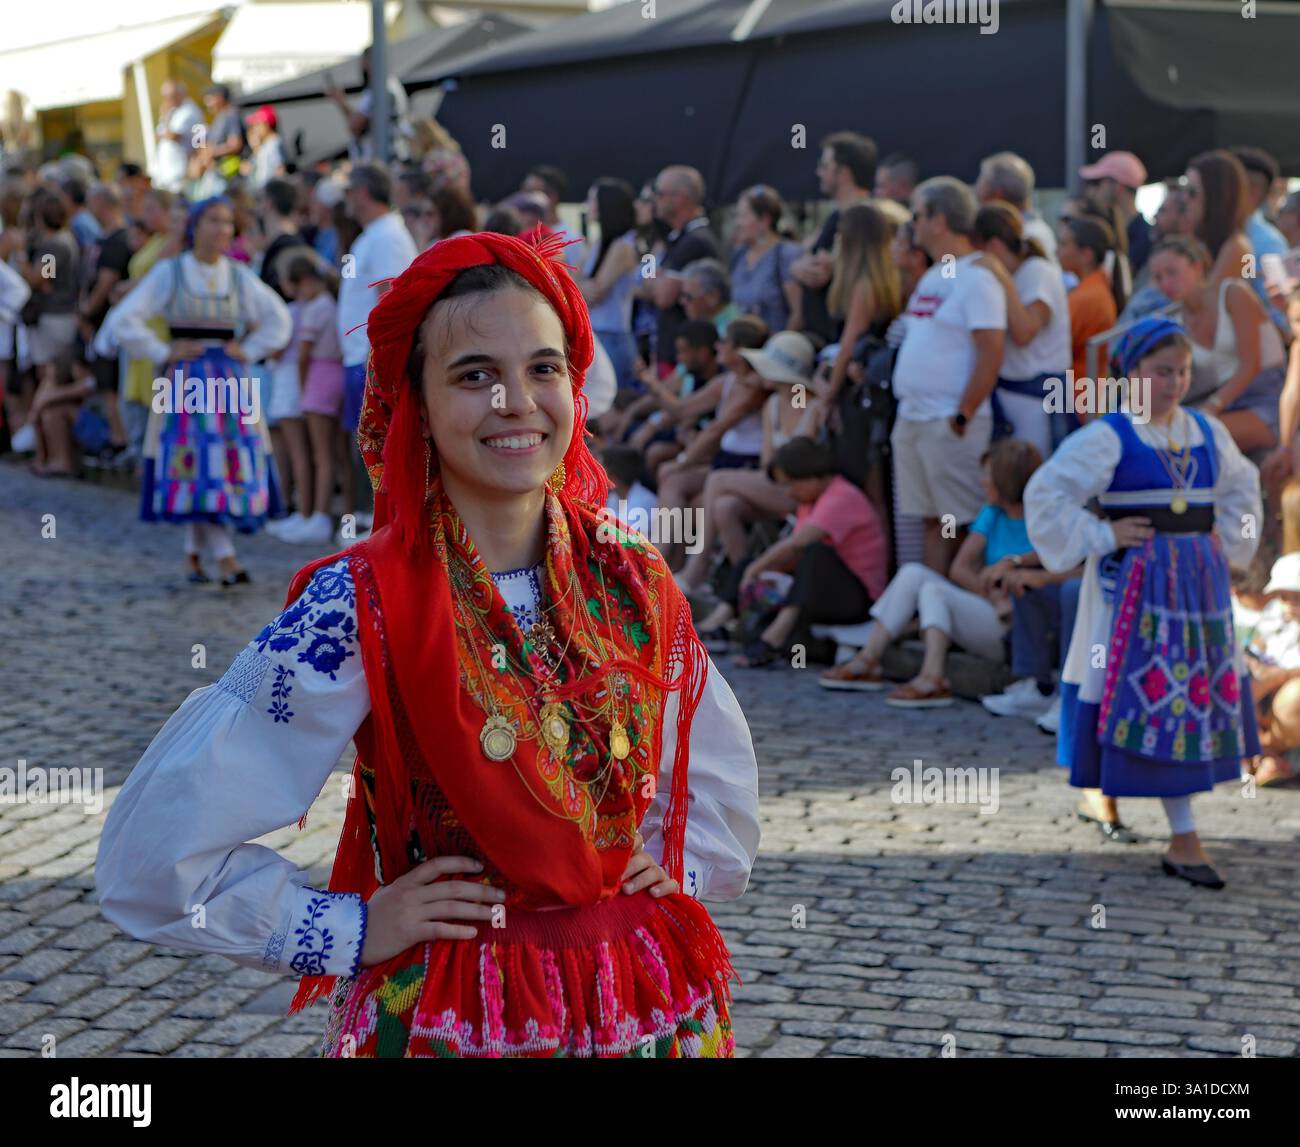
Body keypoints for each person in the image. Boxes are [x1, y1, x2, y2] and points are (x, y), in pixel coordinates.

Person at [96, 230, 761, 1058]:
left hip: (645, 998)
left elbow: (711, 772)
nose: (516, 400)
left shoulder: (631, 576)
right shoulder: (362, 601)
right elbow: (155, 857)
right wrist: (346, 926)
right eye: (475, 374)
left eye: (543, 368)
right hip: (463, 1005)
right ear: (415, 401)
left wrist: (663, 873)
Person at [1024, 317, 1262, 883]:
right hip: (1132, 590)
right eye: (1162, 372)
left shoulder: (1205, 432)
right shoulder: (1110, 435)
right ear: (1131, 374)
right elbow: (1046, 492)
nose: (1175, 383)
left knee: (1181, 691)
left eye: (1182, 372)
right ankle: (1179, 834)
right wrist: (1103, 537)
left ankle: (1147, 813)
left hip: (1197, 589)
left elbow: (1242, 486)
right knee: (1136, 688)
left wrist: (1228, 546)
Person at [107, 196, 292, 585]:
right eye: (212, 221)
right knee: (195, 463)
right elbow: (125, 320)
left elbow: (279, 319)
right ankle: (227, 559)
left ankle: (194, 555)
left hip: (228, 378)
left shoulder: (239, 276)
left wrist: (250, 350)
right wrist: (161, 351)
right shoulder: (170, 273)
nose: (221, 230)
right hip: (186, 379)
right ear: (195, 227)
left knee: (220, 464)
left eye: (227, 222)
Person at [820, 439, 1041, 706]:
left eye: (988, 475)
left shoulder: (1040, 518)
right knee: (914, 573)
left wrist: (1003, 577)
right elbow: (959, 568)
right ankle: (869, 658)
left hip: (1018, 626)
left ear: (1007, 480)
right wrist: (993, 594)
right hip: (993, 607)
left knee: (934, 591)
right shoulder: (992, 513)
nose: (982, 481)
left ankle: (932, 676)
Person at [890, 176, 1006, 574]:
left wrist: (963, 414)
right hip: (914, 417)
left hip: (948, 421)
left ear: (939, 220)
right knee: (930, 521)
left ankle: (959, 615)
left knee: (957, 521)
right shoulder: (934, 274)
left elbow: (992, 350)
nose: (913, 224)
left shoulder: (978, 278)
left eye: (918, 215)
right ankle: (933, 617)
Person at [718, 437, 886, 668]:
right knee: (753, 560)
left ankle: (773, 638)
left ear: (812, 476)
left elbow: (799, 543)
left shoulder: (842, 496)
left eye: (790, 484)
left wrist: (755, 569)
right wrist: (758, 571)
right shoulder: (810, 501)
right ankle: (719, 622)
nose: (787, 493)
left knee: (812, 553)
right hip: (822, 590)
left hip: (859, 598)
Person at [337, 162, 418, 538]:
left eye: (349, 191)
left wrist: (379, 358)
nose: (346, 199)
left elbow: (390, 299)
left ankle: (386, 524)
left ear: (363, 192)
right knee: (368, 442)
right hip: (359, 356)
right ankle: (379, 522)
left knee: (378, 444)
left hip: (371, 359)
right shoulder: (374, 234)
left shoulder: (387, 236)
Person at [1149, 235, 1286, 453]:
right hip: (1225, 403)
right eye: (1158, 277)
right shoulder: (1176, 322)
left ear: (1197, 267)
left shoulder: (1233, 293)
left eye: (1172, 272)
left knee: (1187, 439)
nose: (1165, 283)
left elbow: (1251, 364)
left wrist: (1211, 407)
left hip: (1267, 399)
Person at [973, 203, 1070, 457]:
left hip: (1036, 402)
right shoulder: (1019, 272)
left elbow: (1024, 332)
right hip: (1012, 399)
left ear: (993, 246)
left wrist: (998, 274)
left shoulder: (1038, 272)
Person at [268, 253, 344, 545]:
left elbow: (288, 351)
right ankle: (308, 512)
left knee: (308, 453)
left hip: (303, 381)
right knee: (317, 453)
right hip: (313, 378)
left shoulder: (303, 310)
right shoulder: (320, 306)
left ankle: (310, 512)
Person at [815, 201, 903, 426]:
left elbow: (849, 341)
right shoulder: (884, 278)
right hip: (864, 380)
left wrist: (830, 393)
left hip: (857, 389)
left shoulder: (864, 286)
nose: (835, 238)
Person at [790, 131, 876, 345]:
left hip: (844, 343)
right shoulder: (836, 216)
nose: (819, 172)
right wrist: (798, 267)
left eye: (825, 166)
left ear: (843, 173)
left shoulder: (869, 219)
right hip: (822, 338)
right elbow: (808, 255)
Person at [646, 165, 720, 374]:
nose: (654, 201)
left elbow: (663, 296)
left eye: (659, 194)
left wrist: (655, 279)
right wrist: (655, 275)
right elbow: (645, 279)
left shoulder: (695, 240)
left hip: (684, 355)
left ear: (681, 198)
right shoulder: (675, 238)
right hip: (671, 349)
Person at [575, 178, 640, 392]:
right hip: (596, 333)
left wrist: (579, 286)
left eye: (593, 199)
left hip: (613, 336)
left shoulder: (623, 245)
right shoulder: (598, 243)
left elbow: (596, 291)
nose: (588, 204)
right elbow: (571, 280)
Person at [1241, 552, 1300, 786]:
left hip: (1286, 707)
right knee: (1242, 679)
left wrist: (1277, 677)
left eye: (1296, 598)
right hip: (1265, 707)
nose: (1289, 605)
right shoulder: (1276, 619)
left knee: (1295, 699)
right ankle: (1266, 755)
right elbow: (1256, 648)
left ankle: (1263, 750)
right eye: (1284, 597)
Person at [1058, 214, 1122, 425]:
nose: (1058, 251)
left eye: (1064, 244)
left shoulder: (1088, 297)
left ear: (1086, 255)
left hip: (1078, 399)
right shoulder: (1093, 290)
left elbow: (1057, 347)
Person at [1230, 146, 1290, 335]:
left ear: (1253, 190)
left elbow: (1280, 315)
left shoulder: (1268, 244)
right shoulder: (1225, 232)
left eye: (1228, 182)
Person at [728, 185, 801, 334]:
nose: (738, 223)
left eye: (743, 216)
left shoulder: (786, 255)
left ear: (764, 220)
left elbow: (798, 314)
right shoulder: (739, 255)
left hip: (772, 349)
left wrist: (778, 350)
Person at [1184, 150, 1251, 293]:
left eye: (1192, 192)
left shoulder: (1238, 248)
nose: (1185, 200)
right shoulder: (1200, 241)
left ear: (1215, 196)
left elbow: (1207, 303)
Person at [975, 151, 1057, 262]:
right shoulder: (1038, 232)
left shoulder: (1030, 238)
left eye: (981, 186)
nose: (976, 194)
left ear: (997, 197)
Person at [1079, 151, 1151, 275]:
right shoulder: (1112, 232)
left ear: (1118, 187)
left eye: (1097, 182)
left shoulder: (1145, 238)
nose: (1091, 190)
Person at [192, 85, 246, 197]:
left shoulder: (231, 114)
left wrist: (211, 153)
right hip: (219, 175)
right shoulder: (220, 117)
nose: (206, 103)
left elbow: (235, 144)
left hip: (230, 178)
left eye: (209, 98)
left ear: (219, 98)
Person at [152, 81, 203, 194]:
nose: (166, 100)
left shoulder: (190, 110)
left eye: (169, 96)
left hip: (179, 171)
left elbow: (173, 135)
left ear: (180, 94)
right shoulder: (172, 111)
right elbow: (158, 136)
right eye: (164, 96)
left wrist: (165, 118)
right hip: (164, 172)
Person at [244, 106, 286, 190]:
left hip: (272, 192)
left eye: (258, 124)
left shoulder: (274, 143)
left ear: (267, 124)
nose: (255, 128)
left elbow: (280, 170)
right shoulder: (266, 145)